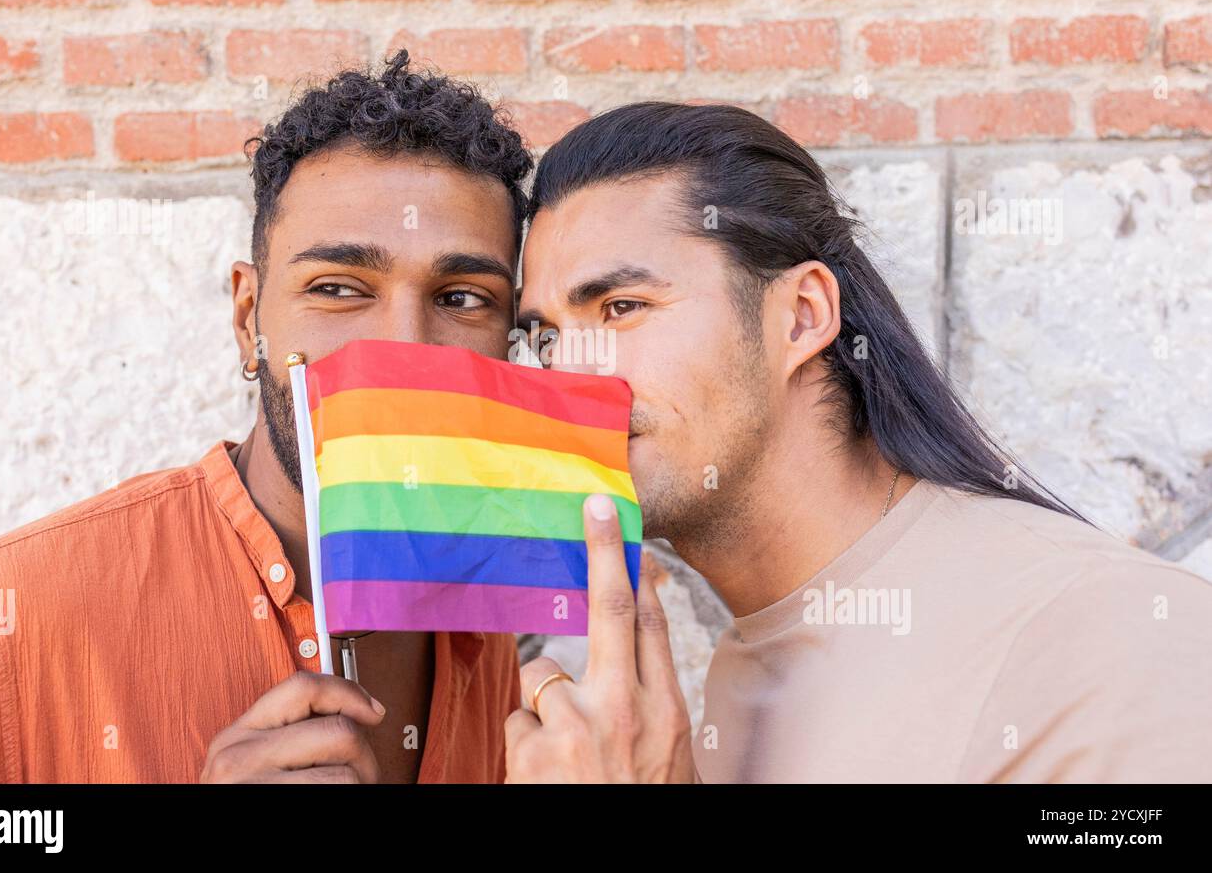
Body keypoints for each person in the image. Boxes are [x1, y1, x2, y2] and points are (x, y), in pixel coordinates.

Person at [506, 102, 1212, 782]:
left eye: (621, 309)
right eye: (543, 338)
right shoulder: (732, 677)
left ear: (802, 316)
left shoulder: (1102, 633)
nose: (567, 377)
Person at [0, 50, 529, 783]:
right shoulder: (0, 622)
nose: (403, 350)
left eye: (462, 298)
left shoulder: (489, 619)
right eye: (336, 288)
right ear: (248, 319)